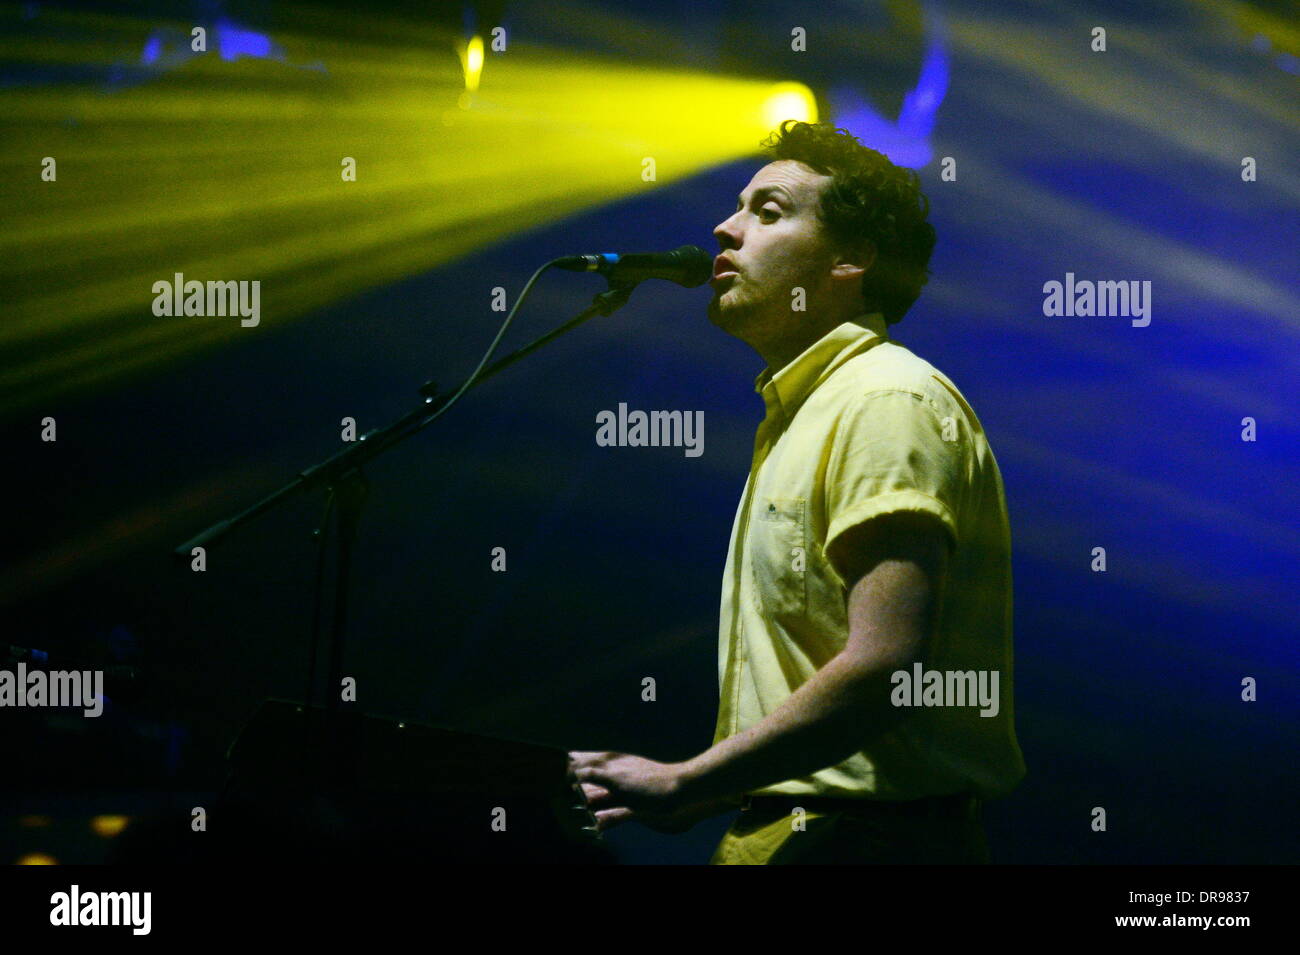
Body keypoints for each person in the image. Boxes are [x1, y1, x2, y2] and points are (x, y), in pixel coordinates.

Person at [570, 120, 1026, 864]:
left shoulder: (886, 399)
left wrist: (687, 779)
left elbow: (888, 665)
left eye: (768, 210)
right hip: (802, 833)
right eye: (738, 206)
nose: (724, 226)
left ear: (851, 259)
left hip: (865, 846)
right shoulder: (806, 412)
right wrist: (720, 790)